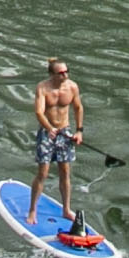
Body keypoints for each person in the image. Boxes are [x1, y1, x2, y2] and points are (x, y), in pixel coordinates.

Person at [27, 57, 88, 235]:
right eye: (61, 73)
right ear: (52, 74)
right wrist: (49, 128)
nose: (65, 75)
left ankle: (66, 209)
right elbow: (39, 111)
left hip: (65, 132)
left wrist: (79, 131)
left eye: (66, 72)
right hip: (47, 133)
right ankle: (32, 210)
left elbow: (78, 108)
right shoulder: (43, 88)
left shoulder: (72, 87)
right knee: (43, 173)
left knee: (65, 171)